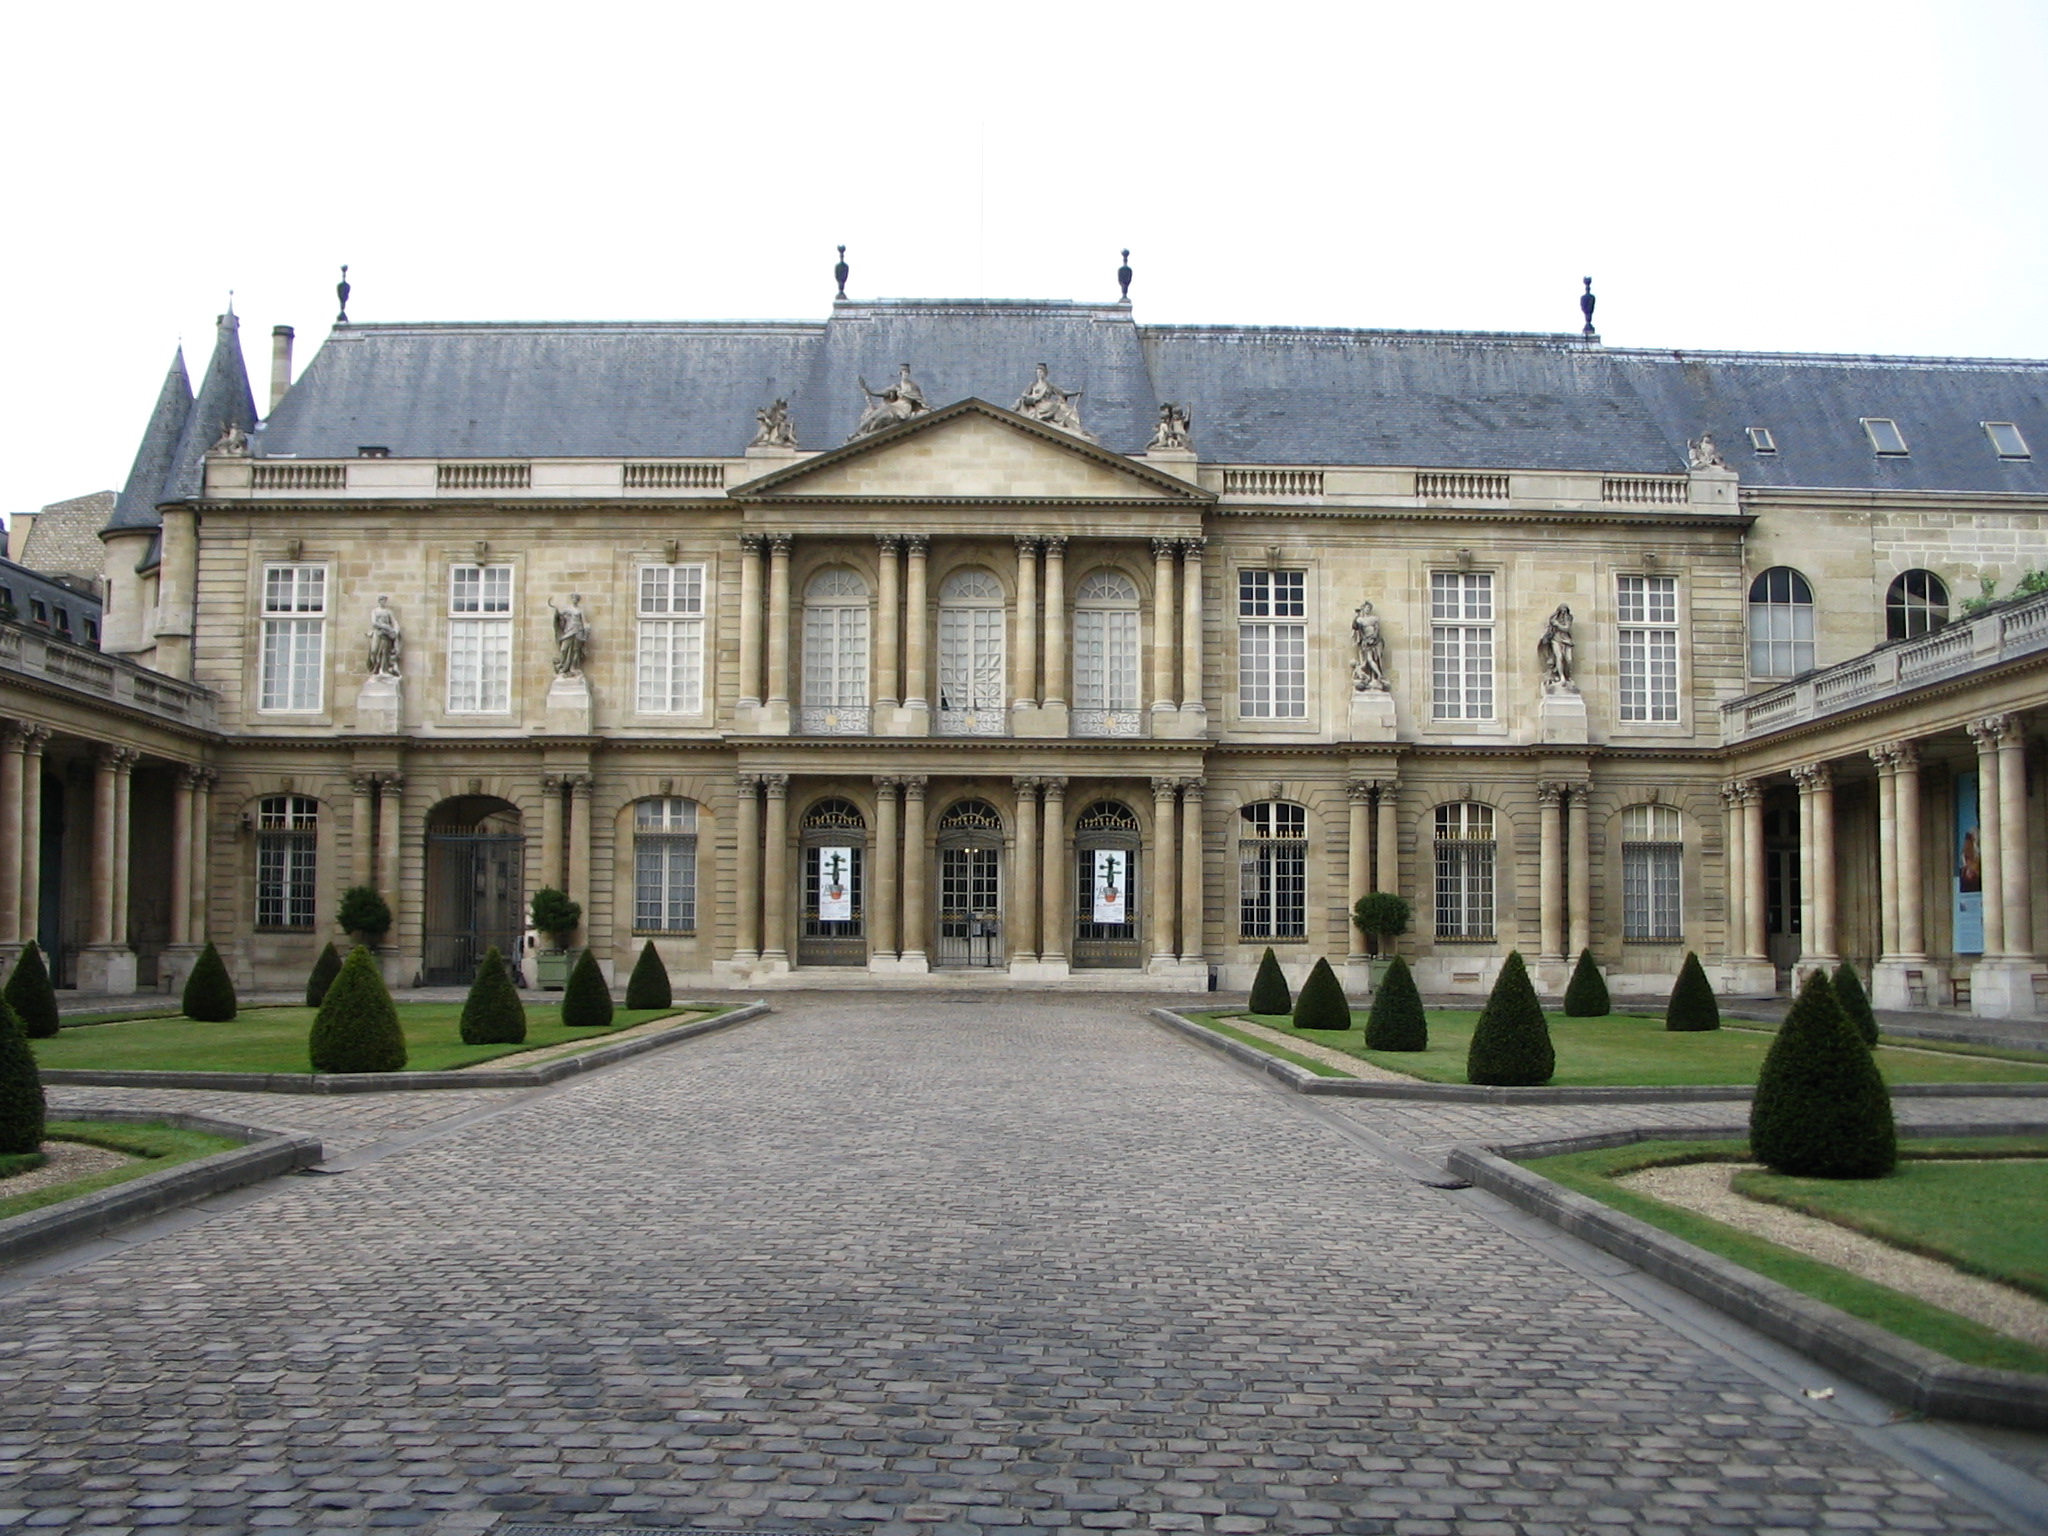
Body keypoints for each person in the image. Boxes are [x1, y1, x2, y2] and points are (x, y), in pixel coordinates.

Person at [1537, 603, 1577, 692]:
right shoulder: (1554, 619)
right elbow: (1549, 628)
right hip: (1556, 639)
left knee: (1569, 660)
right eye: (1562, 611)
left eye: (1565, 611)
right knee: (1559, 657)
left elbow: (1566, 628)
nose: (1563, 613)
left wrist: (1557, 624)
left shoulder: (1568, 619)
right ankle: (1561, 676)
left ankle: (1567, 676)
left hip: (1566, 640)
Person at [551, 594, 590, 677]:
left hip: (578, 631)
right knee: (564, 649)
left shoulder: (580, 610)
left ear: (578, 600)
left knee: (576, 650)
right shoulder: (568, 610)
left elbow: (584, 621)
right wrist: (556, 612)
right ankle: (563, 666)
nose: (575, 600)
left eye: (576, 599)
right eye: (573, 598)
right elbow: (561, 617)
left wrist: (587, 629)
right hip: (569, 631)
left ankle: (573, 667)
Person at [367, 597, 402, 676]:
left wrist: (395, 631)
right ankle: (374, 666)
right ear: (379, 601)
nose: (383, 602)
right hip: (377, 632)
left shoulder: (388, 612)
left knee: (384, 651)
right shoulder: (375, 611)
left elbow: (394, 622)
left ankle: (382, 669)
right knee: (373, 650)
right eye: (381, 600)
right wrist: (385, 626)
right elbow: (374, 623)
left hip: (386, 634)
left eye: (384, 600)